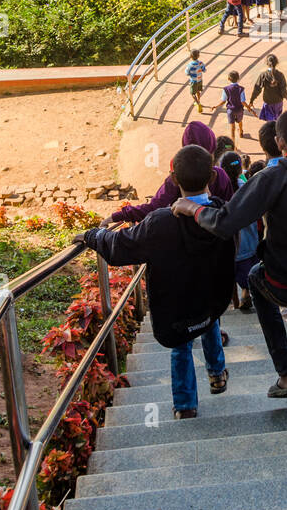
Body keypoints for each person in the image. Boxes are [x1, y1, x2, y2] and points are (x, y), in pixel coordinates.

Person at [172, 107, 287, 406]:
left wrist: (192, 208)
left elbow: (225, 223)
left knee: (253, 278)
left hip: (280, 280)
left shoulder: (272, 177)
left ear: (279, 142)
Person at [82, 145, 234, 419]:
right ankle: (217, 374)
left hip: (175, 308)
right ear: (212, 177)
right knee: (209, 321)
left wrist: (92, 236)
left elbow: (120, 246)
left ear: (173, 180)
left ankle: (186, 405)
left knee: (181, 347)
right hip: (212, 298)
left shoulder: (160, 222)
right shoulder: (223, 215)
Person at [108, 121, 233, 224]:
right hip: (215, 238)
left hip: (182, 242)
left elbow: (153, 208)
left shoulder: (178, 176)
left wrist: (119, 215)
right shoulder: (220, 176)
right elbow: (230, 210)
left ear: (174, 178)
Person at [220, 149, 260, 311]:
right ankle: (246, 293)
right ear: (240, 170)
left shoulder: (220, 191)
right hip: (249, 243)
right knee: (249, 276)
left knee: (231, 277)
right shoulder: (247, 187)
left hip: (230, 246)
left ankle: (235, 303)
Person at [249, 52, 287, 122]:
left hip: (268, 102)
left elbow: (257, 89)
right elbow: (283, 90)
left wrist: (252, 100)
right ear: (277, 63)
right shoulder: (280, 75)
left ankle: (271, 131)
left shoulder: (263, 75)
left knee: (270, 121)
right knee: (277, 120)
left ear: (267, 63)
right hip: (278, 101)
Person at [214, 70, 250, 146]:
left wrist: (216, 106)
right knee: (240, 121)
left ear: (228, 79)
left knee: (232, 128)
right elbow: (243, 101)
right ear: (238, 78)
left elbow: (223, 101)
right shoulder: (241, 89)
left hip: (230, 110)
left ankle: (233, 145)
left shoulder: (226, 89)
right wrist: (248, 107)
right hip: (239, 109)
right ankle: (241, 131)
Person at [185, 48, 206, 114]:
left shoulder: (190, 65)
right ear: (198, 56)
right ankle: (199, 101)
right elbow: (204, 70)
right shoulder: (200, 63)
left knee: (192, 93)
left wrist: (190, 73)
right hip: (200, 80)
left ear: (190, 56)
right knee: (198, 91)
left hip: (193, 81)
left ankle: (197, 103)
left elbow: (187, 73)